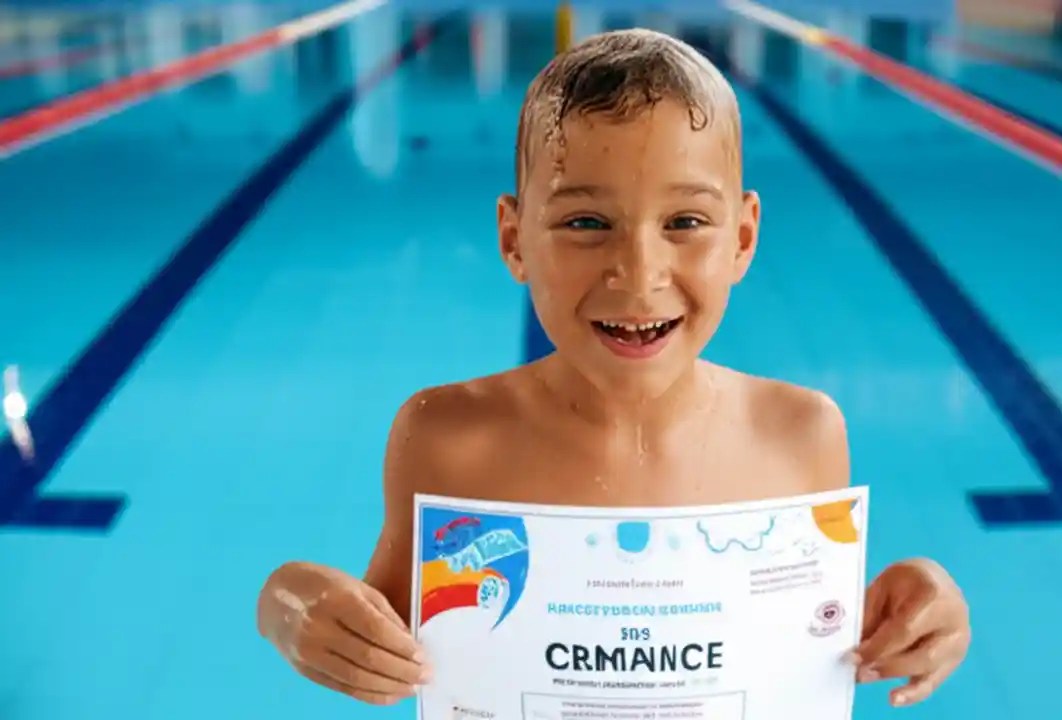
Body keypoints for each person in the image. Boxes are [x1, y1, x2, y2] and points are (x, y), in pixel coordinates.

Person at [255, 27, 970, 710]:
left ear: (744, 238)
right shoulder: (448, 439)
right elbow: (383, 638)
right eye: (586, 223)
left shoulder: (800, 433)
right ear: (515, 239)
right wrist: (290, 604)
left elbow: (816, 636)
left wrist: (918, 606)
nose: (638, 274)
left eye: (685, 223)